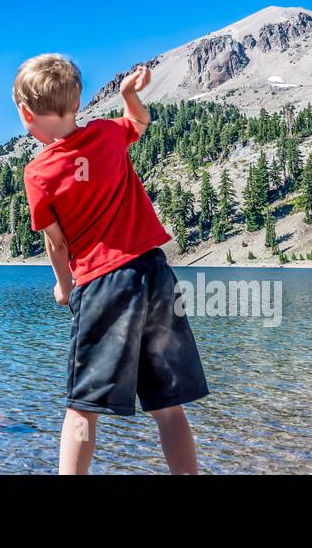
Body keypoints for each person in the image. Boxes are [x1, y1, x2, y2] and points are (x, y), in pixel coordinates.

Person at [13, 54, 208, 474]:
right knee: (168, 407)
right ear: (78, 103)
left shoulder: (38, 172)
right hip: (155, 274)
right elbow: (139, 122)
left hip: (103, 285)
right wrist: (128, 96)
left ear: (27, 115)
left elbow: (57, 244)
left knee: (83, 408)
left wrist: (64, 287)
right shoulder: (106, 134)